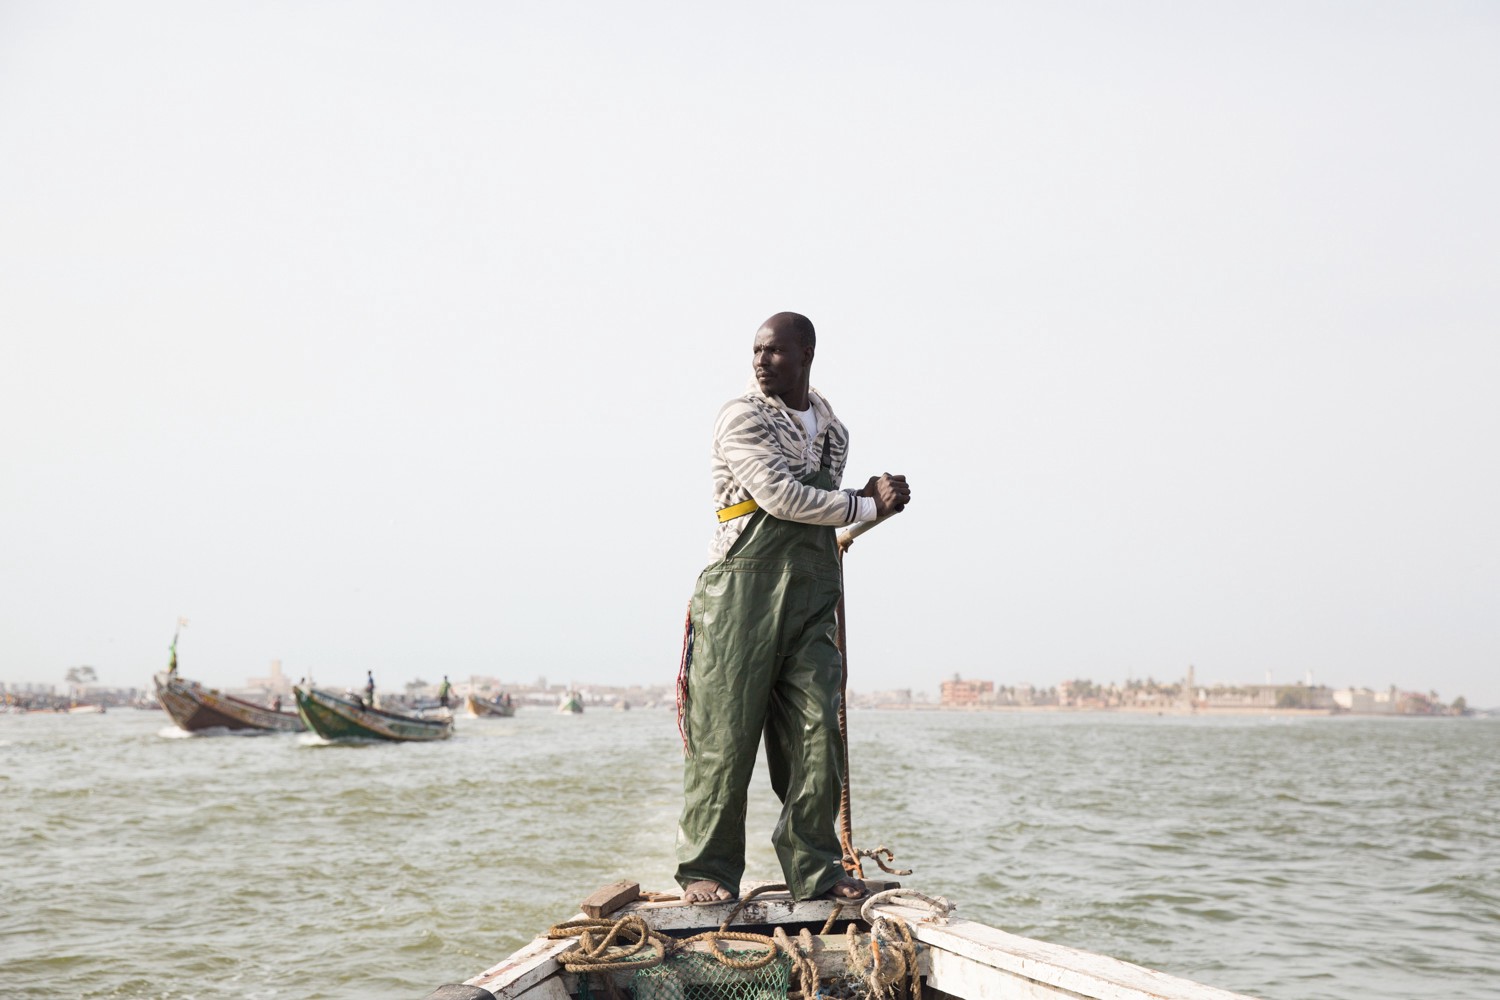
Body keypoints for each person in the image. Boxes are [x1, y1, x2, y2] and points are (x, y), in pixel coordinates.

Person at [674, 311, 910, 904]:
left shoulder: (834, 431)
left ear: (805, 354)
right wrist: (864, 503)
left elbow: (825, 508)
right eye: (756, 351)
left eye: (774, 351)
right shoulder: (742, 417)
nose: (760, 361)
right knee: (725, 734)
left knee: (817, 733)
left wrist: (879, 503)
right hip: (740, 593)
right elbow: (779, 497)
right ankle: (707, 870)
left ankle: (817, 869)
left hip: (810, 591)